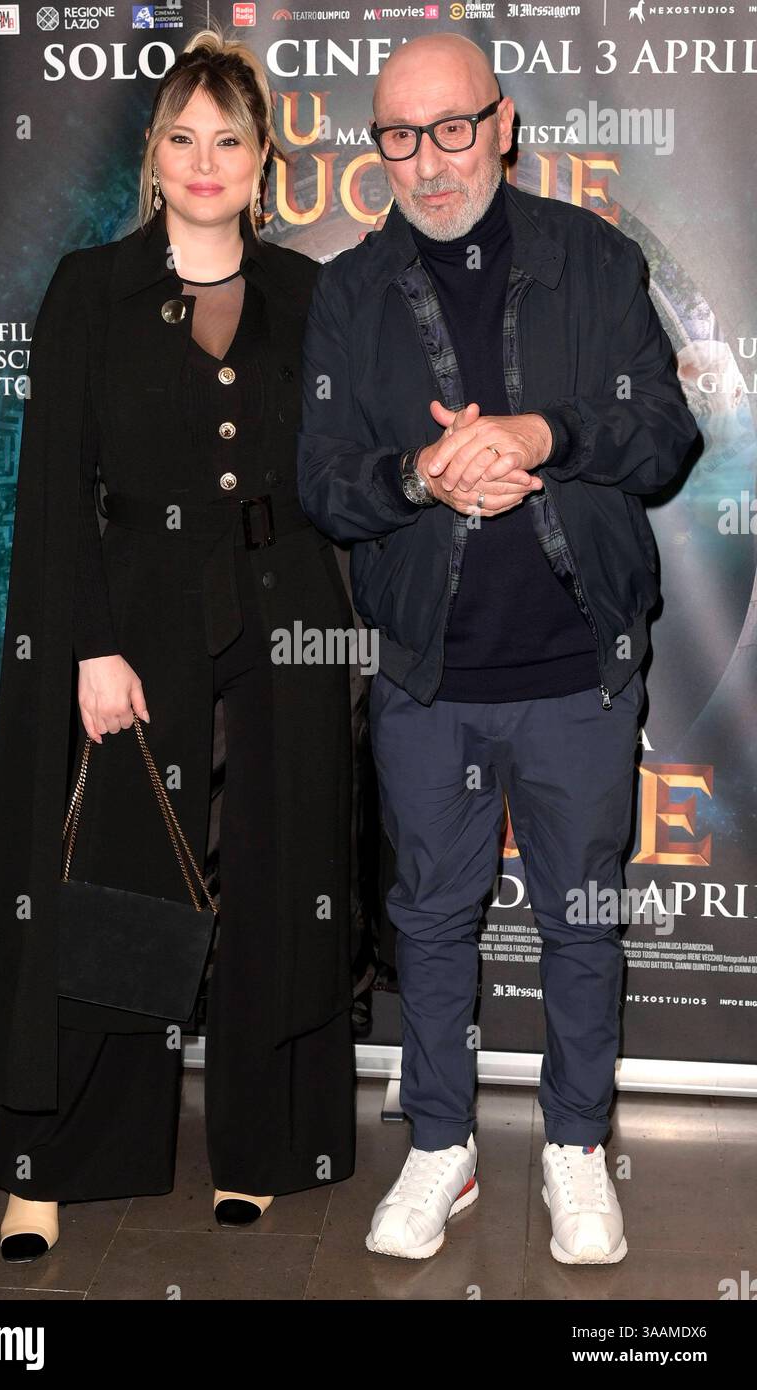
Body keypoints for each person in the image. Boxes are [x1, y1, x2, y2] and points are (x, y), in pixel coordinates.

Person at [0, 25, 356, 1262]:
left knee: (277, 875)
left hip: (287, 614)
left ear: (262, 158)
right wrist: (83, 644)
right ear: (154, 154)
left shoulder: (307, 292)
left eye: (228, 138)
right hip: (131, 619)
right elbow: (56, 488)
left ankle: (267, 1143)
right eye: (183, 135)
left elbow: (343, 468)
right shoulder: (92, 286)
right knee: (118, 884)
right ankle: (55, 1161)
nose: (204, 158)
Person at [297, 32, 699, 1264]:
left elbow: (664, 438)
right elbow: (323, 485)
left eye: (453, 127)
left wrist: (542, 432)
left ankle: (578, 1146)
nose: (428, 162)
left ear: (505, 121)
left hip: (578, 669)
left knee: (583, 918)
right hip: (429, 675)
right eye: (400, 137)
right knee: (429, 921)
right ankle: (442, 1147)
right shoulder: (349, 293)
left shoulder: (595, 258)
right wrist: (421, 475)